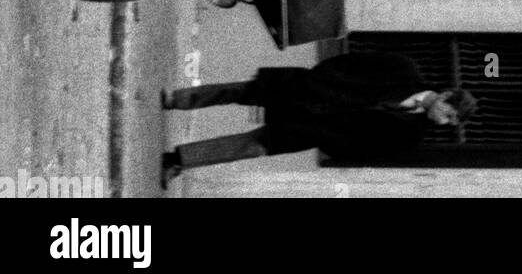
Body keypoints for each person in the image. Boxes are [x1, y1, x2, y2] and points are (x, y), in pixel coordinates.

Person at [160, 50, 476, 183]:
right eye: (448, 115)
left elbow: (368, 150)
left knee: (253, 146)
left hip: (316, 129)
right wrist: (322, 77)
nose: (444, 123)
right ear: (446, 96)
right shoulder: (404, 70)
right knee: (240, 92)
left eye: (449, 123)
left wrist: (331, 143)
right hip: (314, 90)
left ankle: (178, 159)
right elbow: (355, 61)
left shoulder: (412, 135)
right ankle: (178, 99)